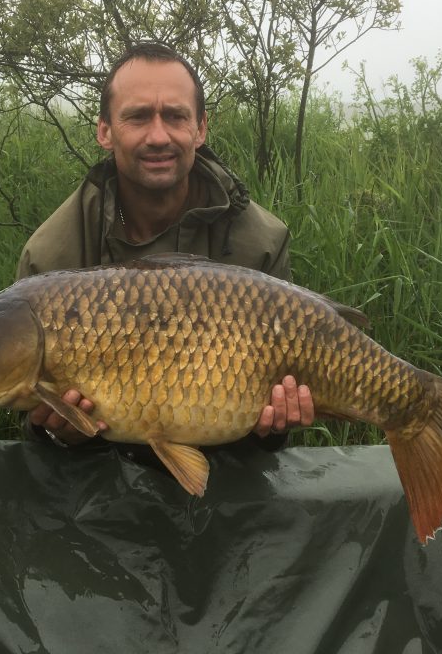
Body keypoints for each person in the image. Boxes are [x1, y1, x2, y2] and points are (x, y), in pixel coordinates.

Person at [17, 41, 314, 450]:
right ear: (105, 130)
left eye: (175, 116)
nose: (158, 136)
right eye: (138, 117)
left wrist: (274, 429)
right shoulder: (52, 255)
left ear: (200, 128)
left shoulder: (260, 241)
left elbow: (277, 420)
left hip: (227, 466)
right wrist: (54, 431)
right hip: (98, 477)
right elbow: (30, 422)